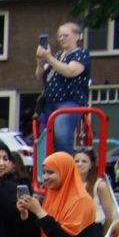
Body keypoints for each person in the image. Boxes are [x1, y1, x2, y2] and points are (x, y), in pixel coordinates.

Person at [36, 21, 92, 156]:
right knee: (47, 138)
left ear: (77, 36)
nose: (61, 38)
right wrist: (40, 61)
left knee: (62, 136)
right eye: (59, 36)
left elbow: (70, 71)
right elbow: (40, 76)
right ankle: (51, 167)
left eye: (65, 35)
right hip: (50, 103)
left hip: (70, 101)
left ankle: (64, 167)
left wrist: (48, 57)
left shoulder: (80, 54)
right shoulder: (57, 56)